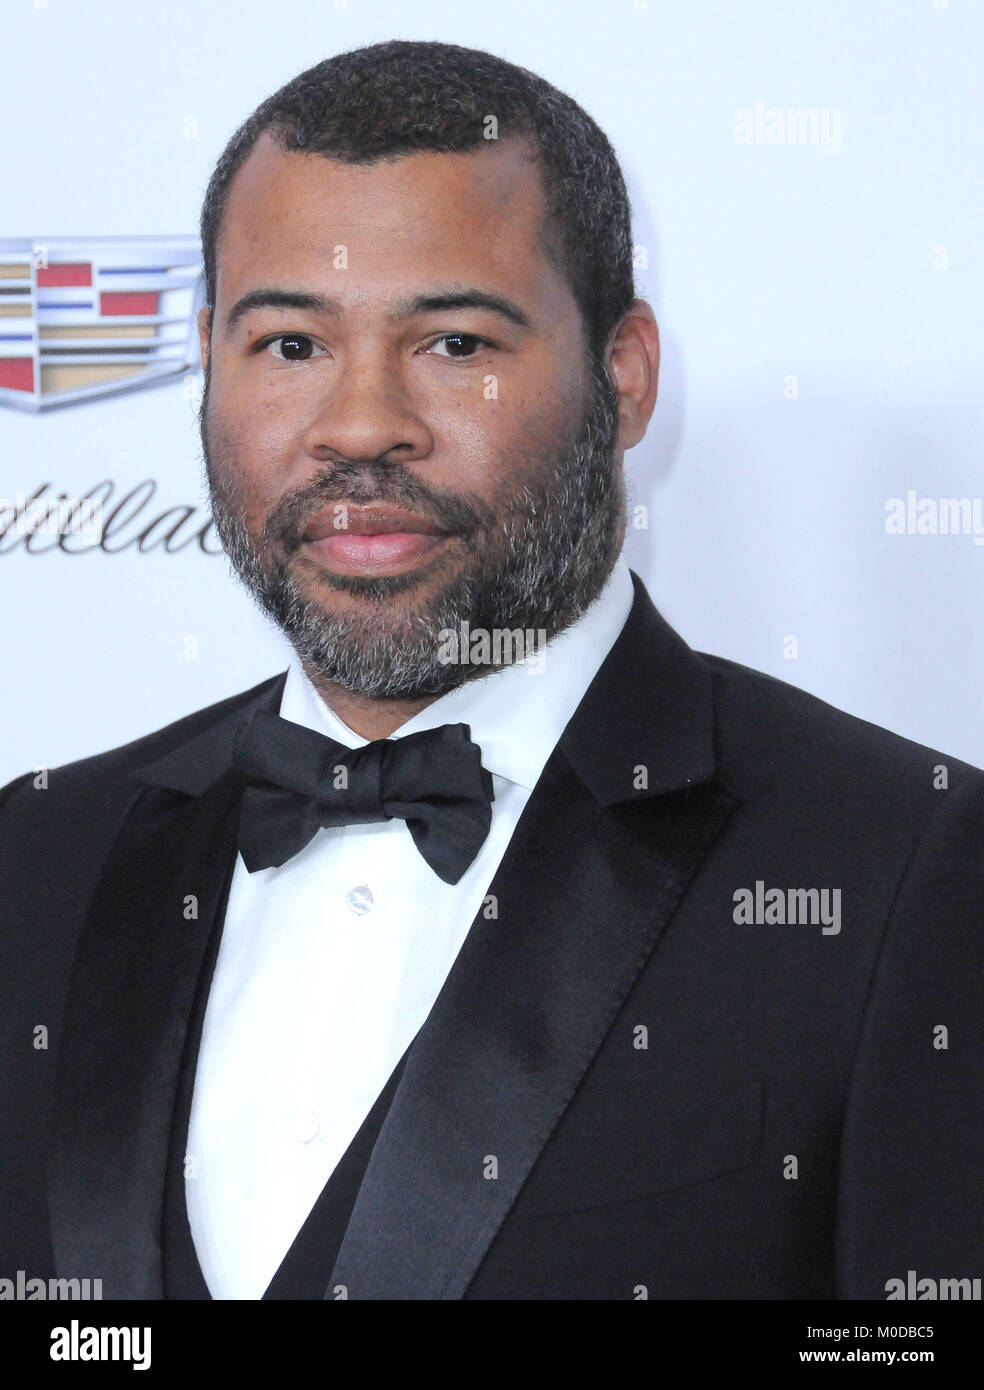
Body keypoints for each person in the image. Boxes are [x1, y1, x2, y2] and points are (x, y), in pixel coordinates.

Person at [2, 39, 982, 1303]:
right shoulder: (38, 857)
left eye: (455, 343)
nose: (360, 424)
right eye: (291, 344)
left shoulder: (905, 865)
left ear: (622, 376)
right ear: (205, 359)